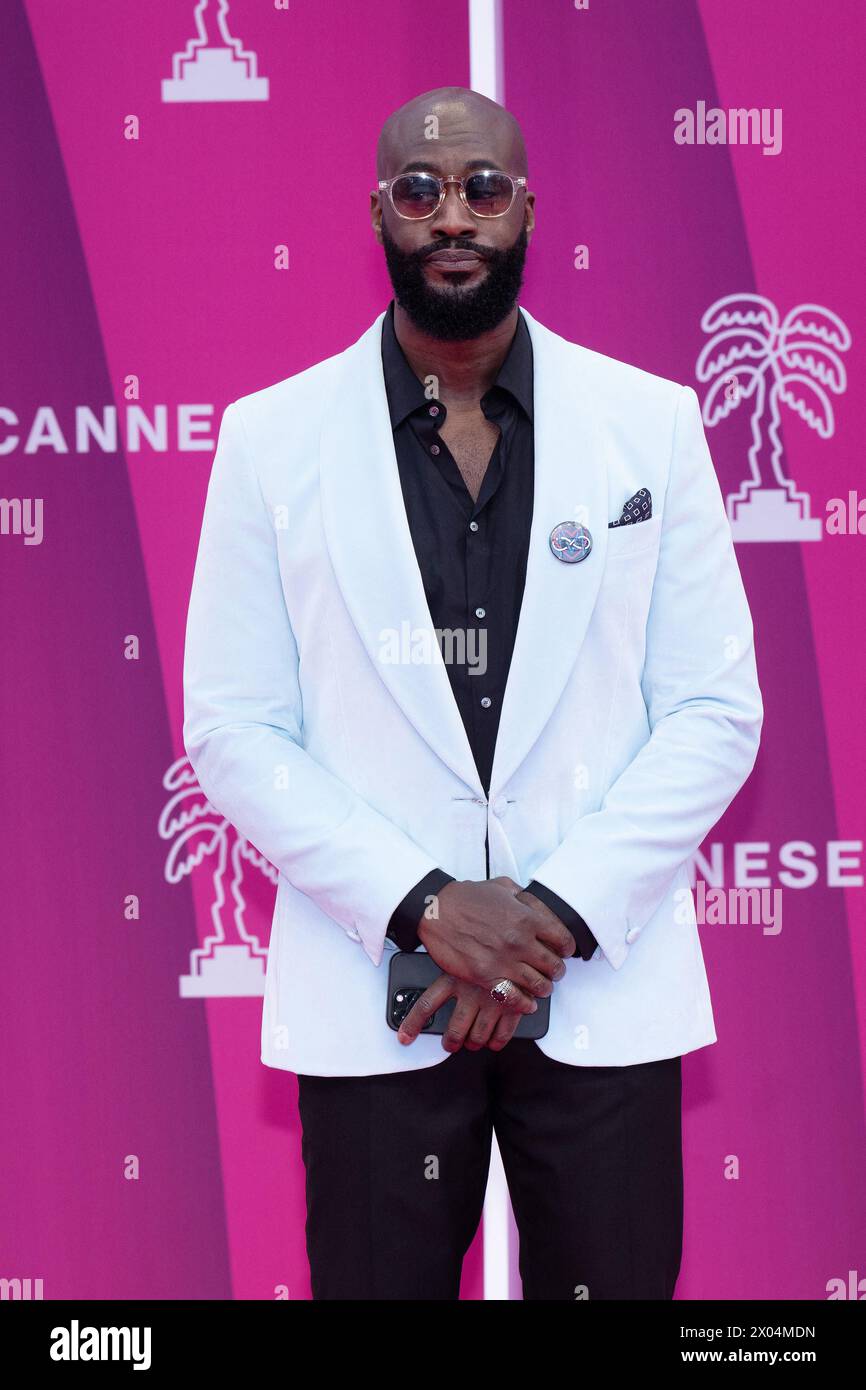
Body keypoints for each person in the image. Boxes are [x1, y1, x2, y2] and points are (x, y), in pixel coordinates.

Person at [182, 86, 763, 1300]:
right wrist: (424, 906)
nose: (453, 215)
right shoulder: (268, 440)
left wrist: (543, 916)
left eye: (481, 189)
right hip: (376, 999)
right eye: (421, 190)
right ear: (380, 214)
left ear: (525, 209)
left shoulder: (648, 426)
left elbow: (715, 710)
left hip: (598, 987)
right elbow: (233, 727)